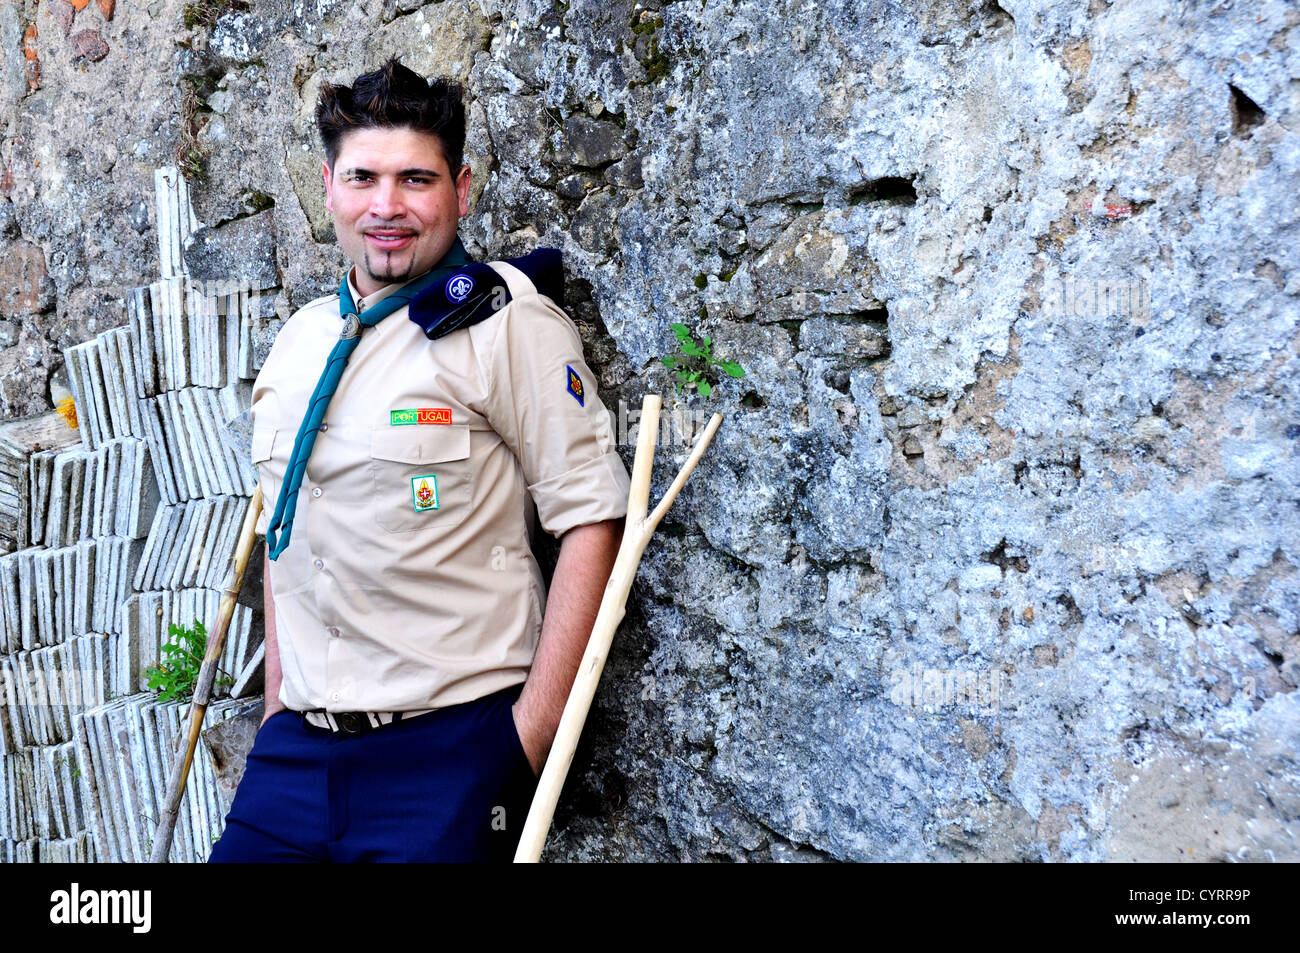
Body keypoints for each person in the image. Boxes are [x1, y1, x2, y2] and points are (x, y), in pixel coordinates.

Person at [208, 57, 629, 862]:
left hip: (448, 759)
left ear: (460, 191)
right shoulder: (297, 345)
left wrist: (523, 743)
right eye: (363, 177)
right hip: (293, 761)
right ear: (329, 186)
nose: (386, 206)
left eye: (416, 179)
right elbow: (282, 522)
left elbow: (591, 518)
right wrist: (274, 713)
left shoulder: (507, 324)